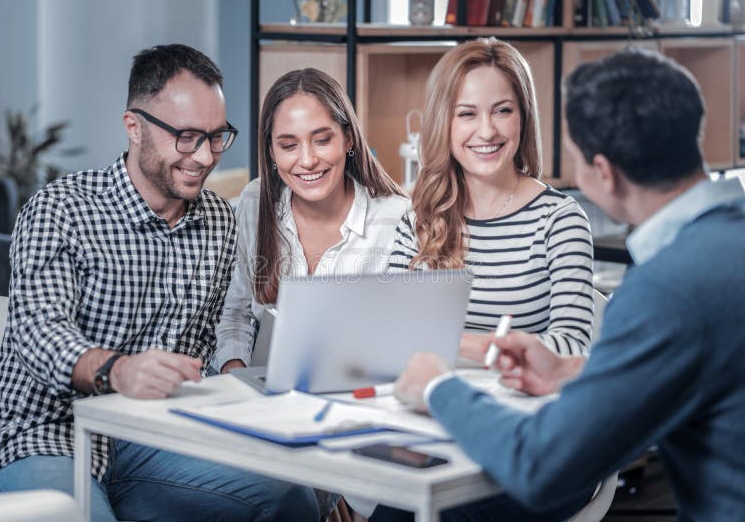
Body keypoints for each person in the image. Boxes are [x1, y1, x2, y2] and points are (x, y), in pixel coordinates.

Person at [394, 48, 745, 519]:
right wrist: (570, 371)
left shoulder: (666, 289)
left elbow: (543, 465)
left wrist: (439, 387)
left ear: (604, 174)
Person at [0, 44, 319, 522]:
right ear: (134, 127)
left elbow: (205, 343)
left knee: (291, 498)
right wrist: (117, 371)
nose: (205, 156)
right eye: (187, 137)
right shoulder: (61, 209)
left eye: (217, 137)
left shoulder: (219, 222)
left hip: (155, 439)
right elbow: (39, 332)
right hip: (45, 435)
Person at [388, 38, 594, 363]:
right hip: (429, 389)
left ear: (523, 117)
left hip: (519, 393)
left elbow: (572, 347)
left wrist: (463, 345)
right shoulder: (418, 219)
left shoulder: (560, 220)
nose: (486, 131)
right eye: (467, 114)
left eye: (502, 111)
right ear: (444, 123)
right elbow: (389, 331)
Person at [213, 68, 409, 375]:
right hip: (262, 392)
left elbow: (402, 335)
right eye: (288, 145)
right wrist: (237, 377)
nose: (307, 161)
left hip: (357, 391)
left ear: (348, 138)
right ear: (271, 151)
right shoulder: (254, 202)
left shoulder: (396, 217)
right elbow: (235, 314)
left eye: (321, 140)